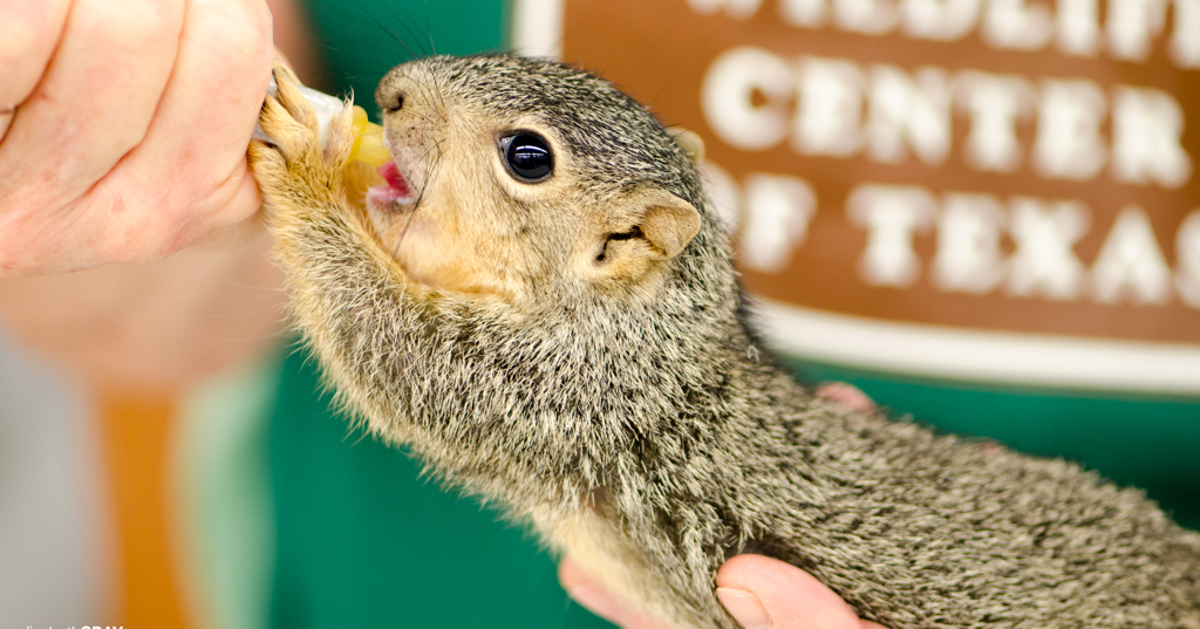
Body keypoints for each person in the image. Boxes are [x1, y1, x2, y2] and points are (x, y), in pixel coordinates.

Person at [0, 1, 881, 627]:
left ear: (624, 243)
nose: (398, 92)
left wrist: (310, 197)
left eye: (525, 158)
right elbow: (114, 309)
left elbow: (408, 371)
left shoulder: (592, 380)